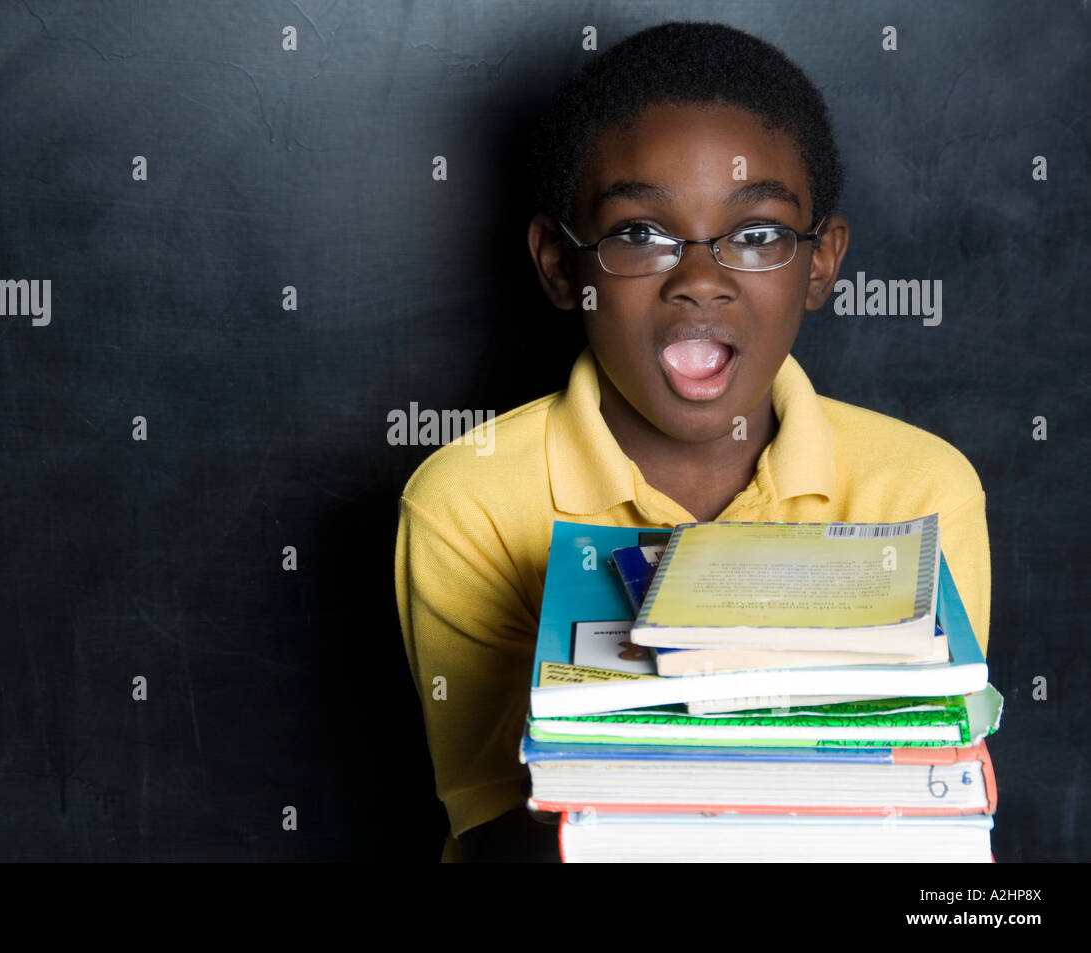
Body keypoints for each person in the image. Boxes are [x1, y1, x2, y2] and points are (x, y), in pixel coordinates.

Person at [394, 21, 990, 862]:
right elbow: (495, 825)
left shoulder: (922, 490)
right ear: (564, 268)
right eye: (640, 233)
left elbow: (927, 787)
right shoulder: (469, 499)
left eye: (757, 235)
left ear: (820, 265)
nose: (701, 279)